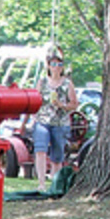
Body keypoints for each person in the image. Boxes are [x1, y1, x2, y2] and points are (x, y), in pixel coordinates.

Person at [32, 49, 78, 186]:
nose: (56, 67)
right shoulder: (42, 82)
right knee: (40, 150)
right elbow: (35, 99)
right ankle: (41, 182)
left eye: (59, 64)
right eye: (53, 64)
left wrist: (62, 105)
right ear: (48, 66)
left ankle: (54, 182)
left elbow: (74, 104)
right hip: (42, 120)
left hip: (60, 122)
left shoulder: (67, 84)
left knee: (57, 156)